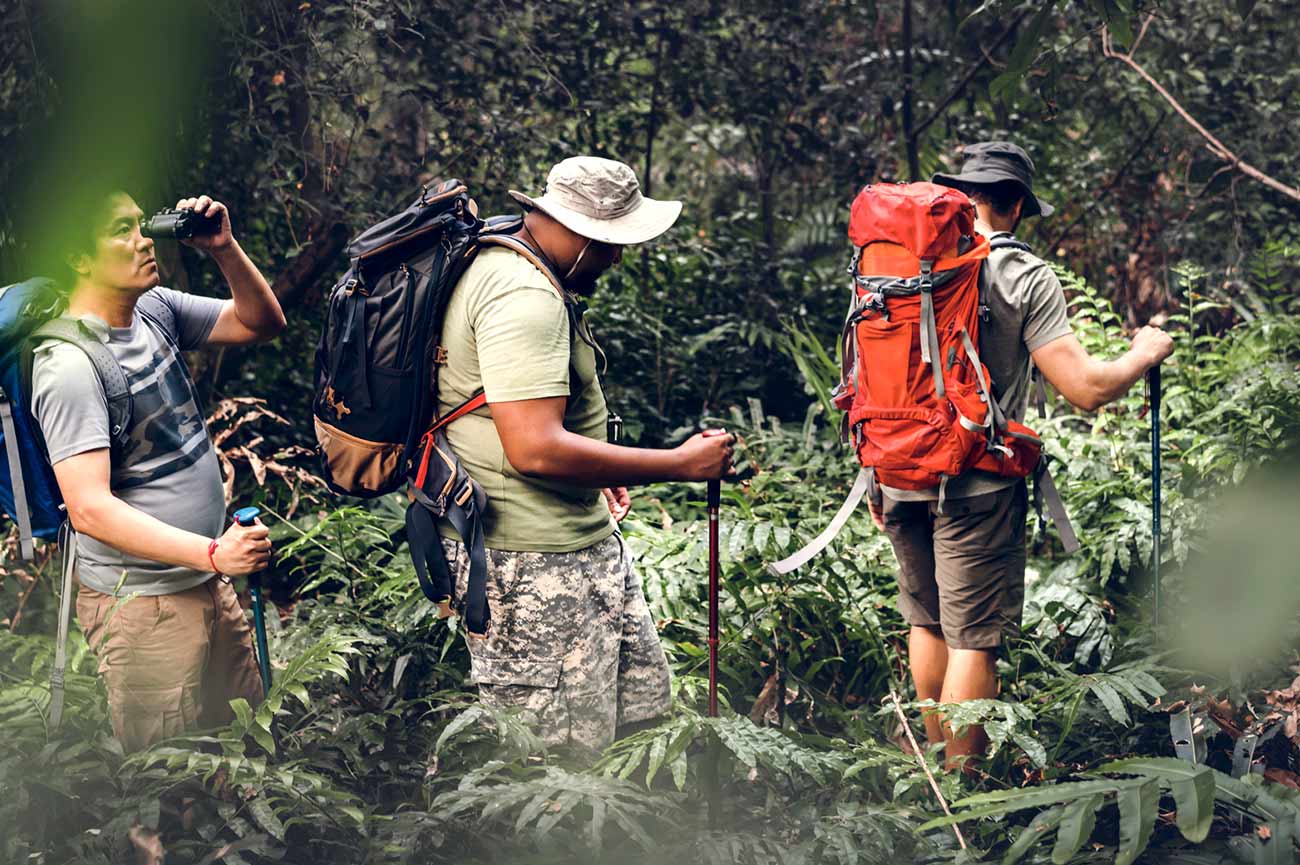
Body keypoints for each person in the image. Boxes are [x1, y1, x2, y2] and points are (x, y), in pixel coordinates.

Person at [866, 141, 1174, 767]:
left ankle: (932, 772)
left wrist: (874, 470)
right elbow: (1086, 389)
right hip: (976, 480)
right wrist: (1144, 353)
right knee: (973, 639)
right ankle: (965, 789)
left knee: (926, 622)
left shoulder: (891, 262)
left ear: (961, 195)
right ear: (1014, 206)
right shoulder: (1022, 274)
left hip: (893, 467)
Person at [435, 156, 735, 754]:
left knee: (637, 732)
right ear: (579, 233)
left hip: (576, 544)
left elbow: (517, 416)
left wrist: (599, 468)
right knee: (557, 765)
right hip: (529, 561)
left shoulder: (512, 265)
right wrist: (677, 465)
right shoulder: (524, 294)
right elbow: (535, 449)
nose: (617, 258)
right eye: (611, 243)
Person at [31, 190, 286, 752]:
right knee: (170, 774)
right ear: (76, 257)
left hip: (205, 579)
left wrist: (223, 249)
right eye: (120, 230)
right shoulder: (68, 366)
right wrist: (214, 553)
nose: (143, 240)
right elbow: (89, 508)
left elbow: (261, 322)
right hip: (145, 606)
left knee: (244, 748)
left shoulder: (154, 309)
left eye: (140, 224)